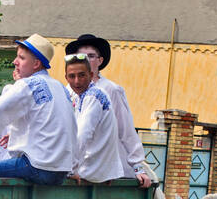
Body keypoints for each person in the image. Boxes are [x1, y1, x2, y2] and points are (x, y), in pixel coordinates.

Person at [0, 34, 76, 184]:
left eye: (21, 58)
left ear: (36, 64)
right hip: (61, 171)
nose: (15, 62)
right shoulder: (60, 87)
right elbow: (70, 128)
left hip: (36, 166)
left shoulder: (29, 84)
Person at [65, 33, 154, 187]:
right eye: (80, 56)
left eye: (91, 56)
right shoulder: (69, 91)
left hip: (103, 169)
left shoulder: (110, 90)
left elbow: (125, 129)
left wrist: (138, 165)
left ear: (100, 61)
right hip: (78, 166)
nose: (85, 60)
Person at [64, 52, 125, 183]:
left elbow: (82, 136)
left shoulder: (93, 96)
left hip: (92, 169)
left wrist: (71, 170)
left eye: (81, 75)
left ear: (91, 75)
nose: (77, 81)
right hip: (102, 169)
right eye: (72, 76)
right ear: (66, 78)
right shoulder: (83, 96)